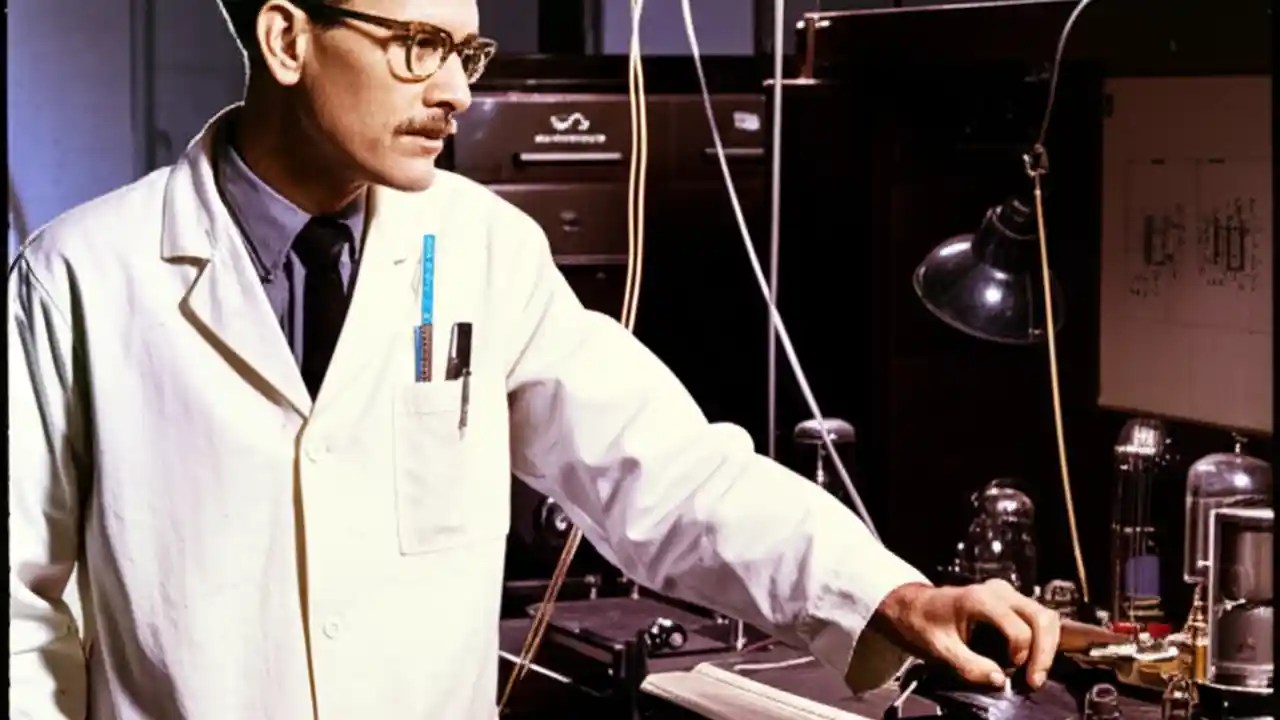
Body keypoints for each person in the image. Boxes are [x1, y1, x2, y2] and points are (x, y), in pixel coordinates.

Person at [8, 0, 1062, 717]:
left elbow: (665, 470)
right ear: (286, 38)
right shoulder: (84, 275)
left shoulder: (482, 249)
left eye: (466, 55)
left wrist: (887, 597)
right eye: (417, 45)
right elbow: (17, 604)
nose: (456, 91)